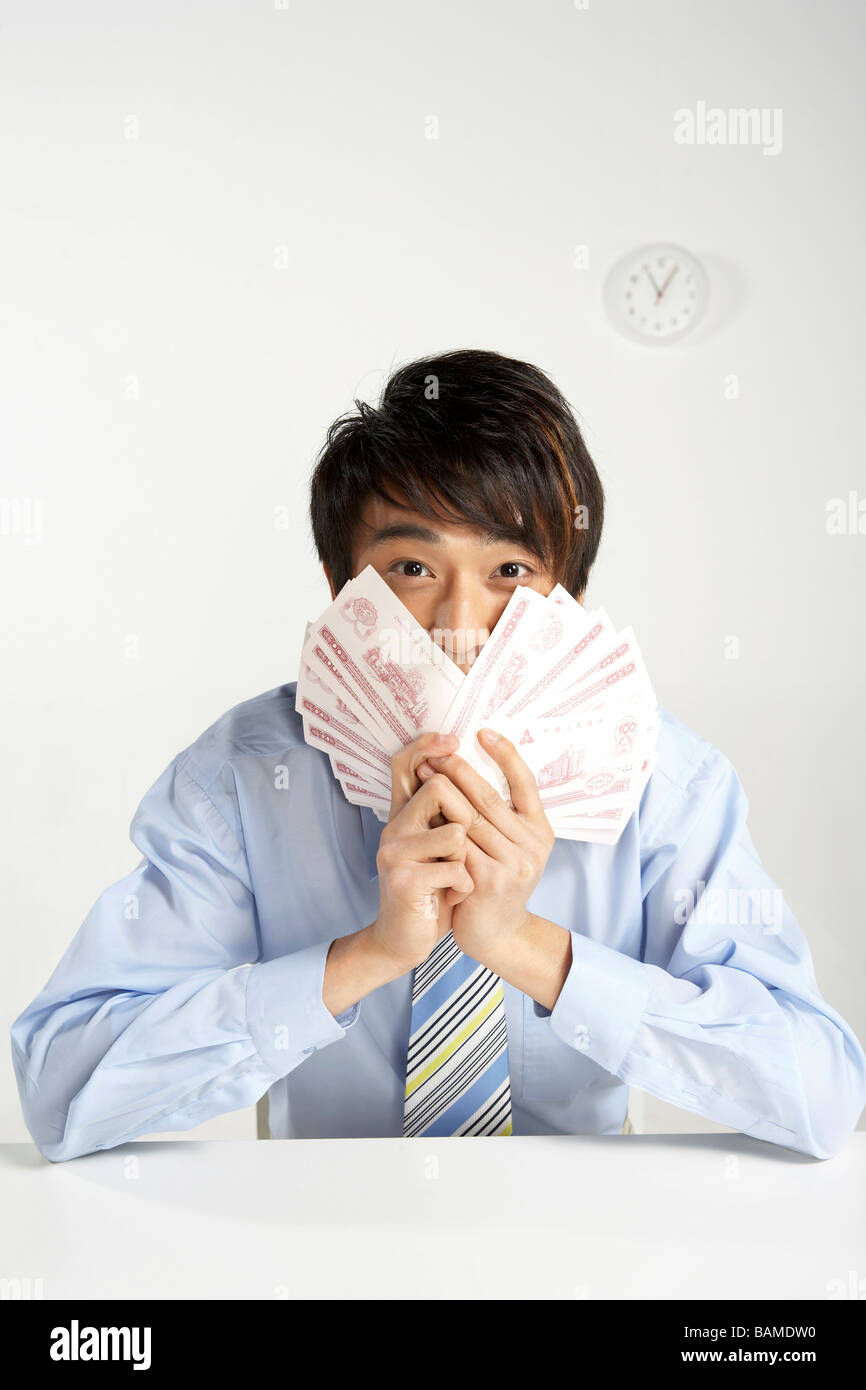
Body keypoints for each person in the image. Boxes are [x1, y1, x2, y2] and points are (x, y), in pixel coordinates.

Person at [10, 349, 866, 1162]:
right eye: (414, 565)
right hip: (314, 1242)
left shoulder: (663, 777)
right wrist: (368, 955)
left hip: (588, 1245)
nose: (461, 625)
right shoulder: (245, 775)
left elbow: (820, 1090)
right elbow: (60, 1087)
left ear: (570, 596)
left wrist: (526, 946)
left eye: (512, 571)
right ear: (340, 587)